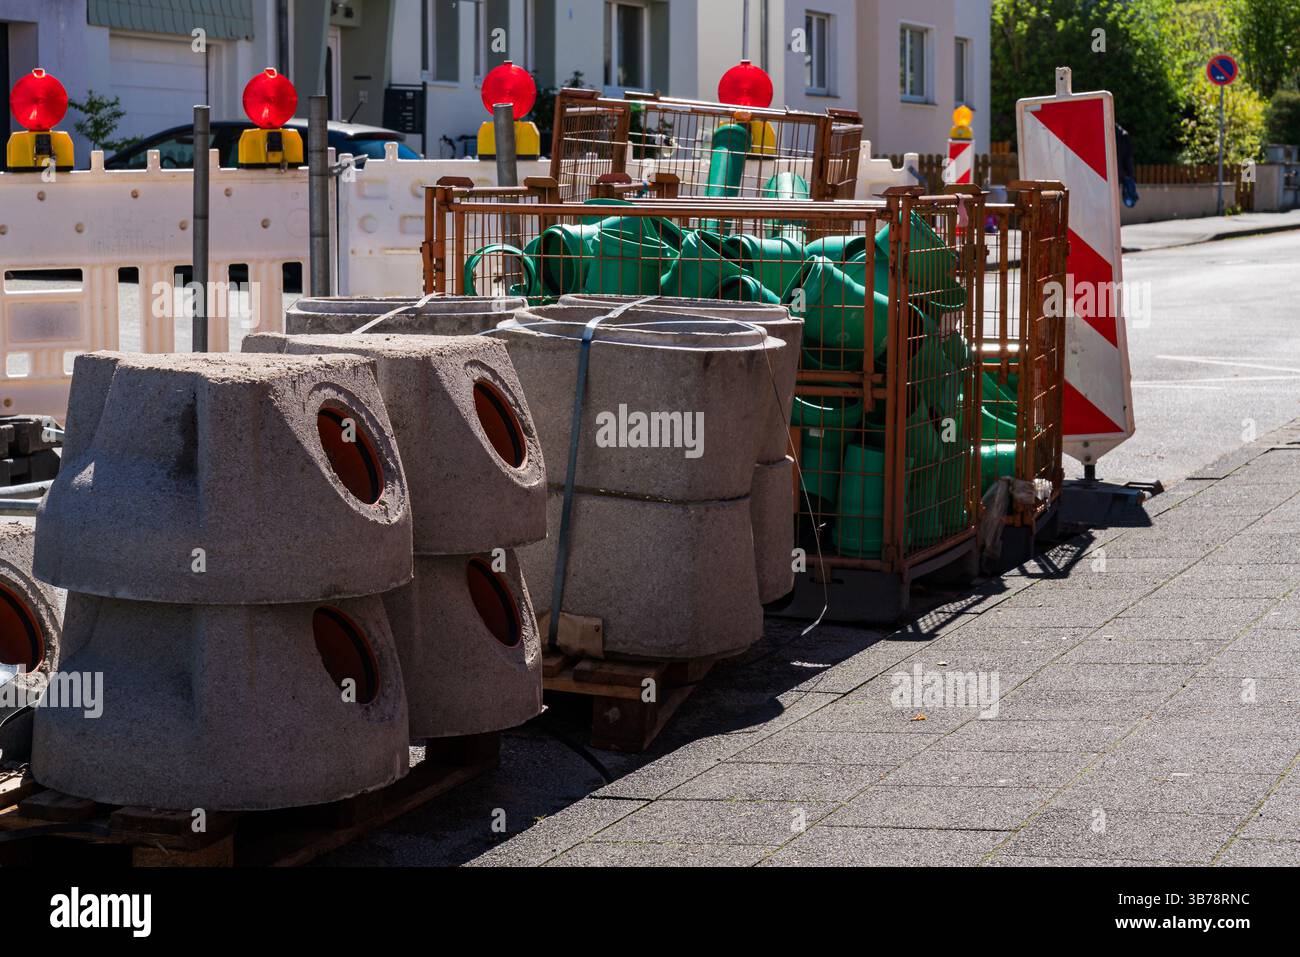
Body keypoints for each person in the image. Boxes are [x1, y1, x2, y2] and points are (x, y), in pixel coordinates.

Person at [1116, 122, 1139, 207]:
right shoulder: (1123, 135)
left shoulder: (1122, 135)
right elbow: (1128, 158)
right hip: (1118, 174)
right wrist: (1130, 175)